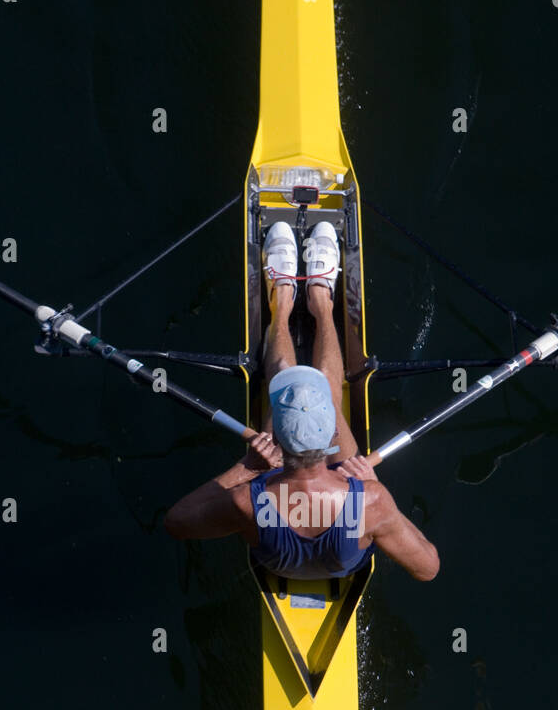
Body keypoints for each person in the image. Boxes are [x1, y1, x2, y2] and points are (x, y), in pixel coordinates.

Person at [164, 221, 439, 582]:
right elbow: (429, 567)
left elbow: (176, 523)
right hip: (347, 540)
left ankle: (282, 300)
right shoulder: (372, 503)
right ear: (329, 440)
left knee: (282, 376)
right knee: (324, 385)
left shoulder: (246, 501)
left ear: (276, 431)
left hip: (274, 553)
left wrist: (248, 466)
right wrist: (373, 486)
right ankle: (321, 300)